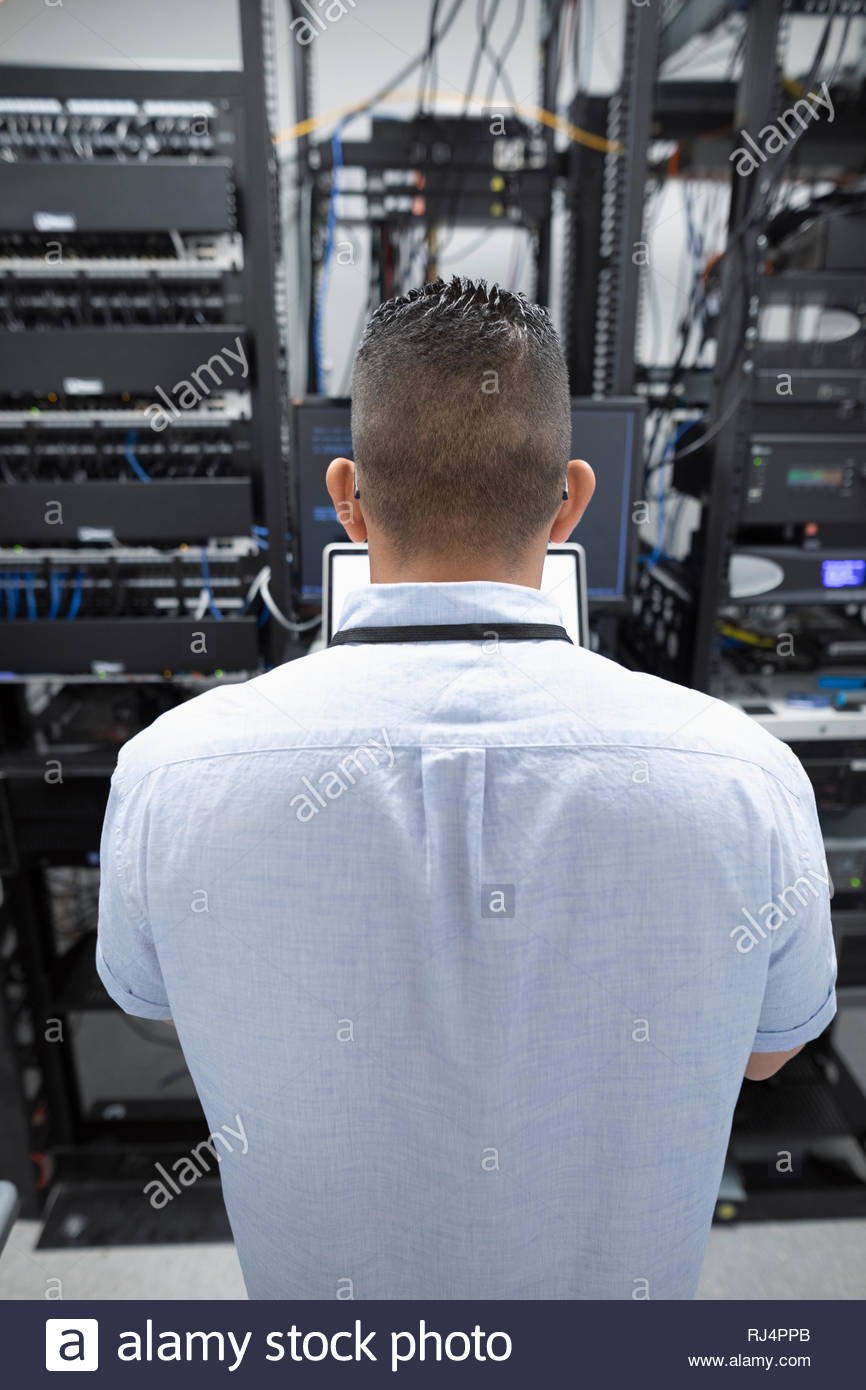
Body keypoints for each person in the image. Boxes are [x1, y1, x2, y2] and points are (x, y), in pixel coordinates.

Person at [97, 276, 836, 1300]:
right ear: (569, 498)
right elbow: (768, 1053)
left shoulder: (170, 771)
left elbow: (174, 1006)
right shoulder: (743, 776)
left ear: (346, 497)